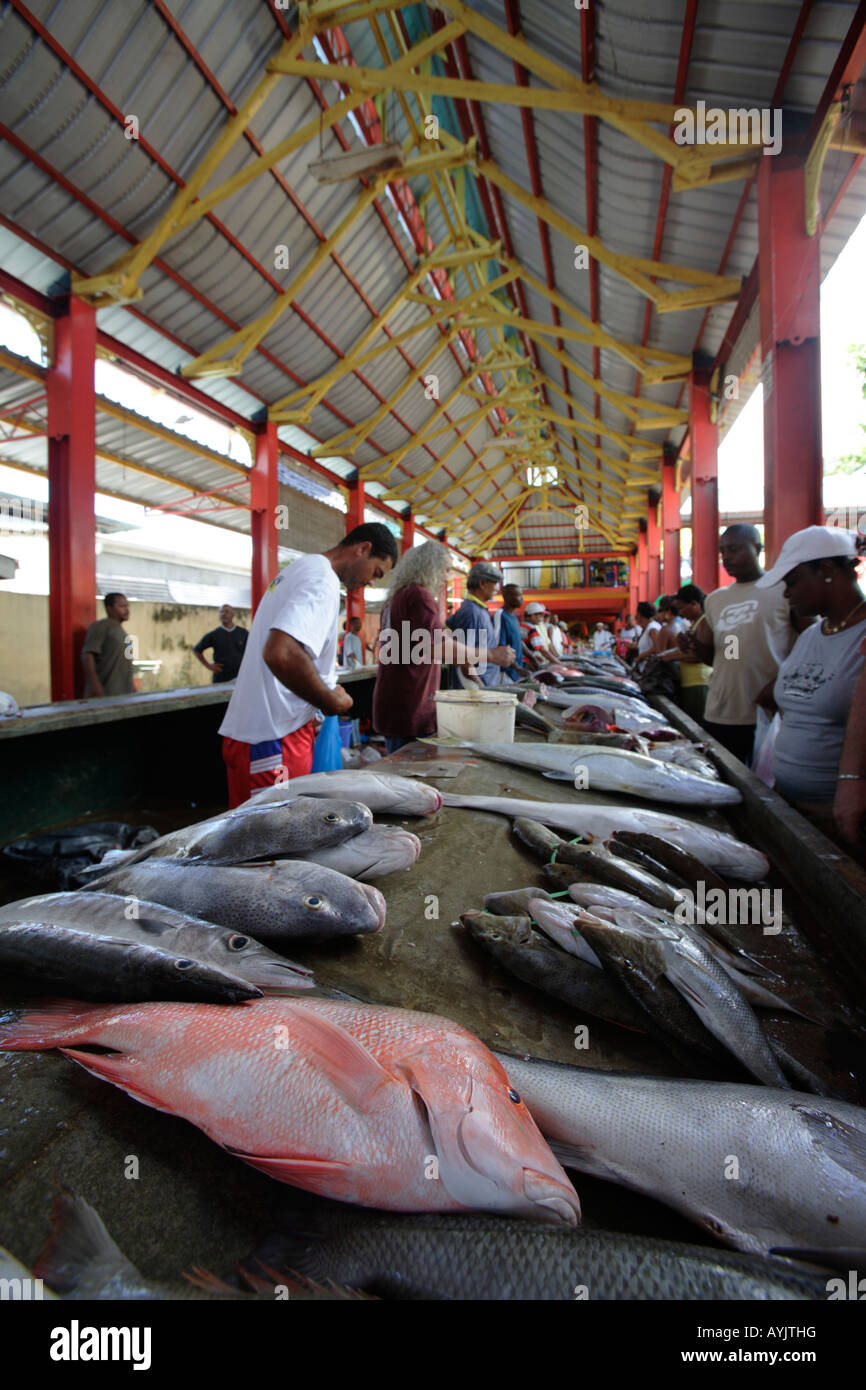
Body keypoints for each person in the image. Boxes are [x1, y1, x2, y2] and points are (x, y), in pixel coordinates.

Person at [219, 523, 398, 807]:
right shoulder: (322, 580)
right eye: (376, 572)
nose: (371, 582)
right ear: (363, 548)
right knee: (270, 839)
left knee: (270, 835)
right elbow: (282, 653)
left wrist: (324, 687)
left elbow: (297, 652)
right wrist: (331, 701)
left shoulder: (302, 569)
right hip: (273, 737)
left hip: (273, 733)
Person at [754, 526, 866, 839]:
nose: (787, 594)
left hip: (844, 818)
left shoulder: (861, 636)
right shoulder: (810, 636)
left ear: (827, 570)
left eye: (792, 582)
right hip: (793, 807)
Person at [679, 524, 797, 765]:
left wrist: (781, 683)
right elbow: (722, 656)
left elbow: (812, 643)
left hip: (768, 712)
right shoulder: (716, 599)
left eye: (733, 549)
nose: (726, 557)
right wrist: (694, 647)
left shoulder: (784, 590)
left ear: (758, 548)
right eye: (722, 551)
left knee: (766, 786)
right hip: (720, 710)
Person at [373, 541, 481, 753]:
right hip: (410, 706)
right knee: (412, 776)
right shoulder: (418, 596)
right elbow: (437, 647)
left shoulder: (396, 598)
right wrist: (491, 656)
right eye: (444, 569)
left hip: (394, 703)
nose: (446, 577)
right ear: (430, 566)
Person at [445, 561, 515, 687]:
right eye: (495, 583)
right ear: (482, 583)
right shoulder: (471, 612)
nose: (497, 589)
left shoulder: (479, 610)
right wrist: (483, 689)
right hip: (475, 691)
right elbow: (464, 659)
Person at [667, 584, 713, 722]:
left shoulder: (705, 622)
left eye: (681, 608)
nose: (680, 613)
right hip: (692, 682)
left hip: (699, 681)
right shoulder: (697, 623)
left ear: (694, 604)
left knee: (699, 722)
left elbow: (697, 656)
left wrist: (669, 657)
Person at [82, 593, 135, 698]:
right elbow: (87, 655)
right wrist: (95, 685)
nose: (127, 610)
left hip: (124, 692)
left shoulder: (122, 632)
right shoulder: (101, 626)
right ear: (109, 608)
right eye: (122, 606)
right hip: (107, 692)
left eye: (127, 606)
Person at [193, 604, 248, 684]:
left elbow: (253, 650)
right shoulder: (214, 634)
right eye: (221, 612)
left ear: (233, 615)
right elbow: (197, 650)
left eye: (226, 612)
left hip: (240, 678)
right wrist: (209, 666)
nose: (223, 614)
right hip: (221, 679)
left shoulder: (243, 633)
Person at [494, 584, 526, 681]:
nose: (522, 599)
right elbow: (498, 646)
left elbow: (518, 641)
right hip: (505, 672)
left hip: (515, 672)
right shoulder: (500, 615)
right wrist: (517, 668)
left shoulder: (514, 615)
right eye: (518, 595)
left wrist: (533, 659)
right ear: (507, 597)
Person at [521, 601, 560, 667]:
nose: (542, 619)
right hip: (528, 663)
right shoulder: (531, 629)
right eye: (541, 616)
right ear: (532, 615)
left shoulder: (522, 625)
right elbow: (542, 650)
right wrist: (559, 663)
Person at [633, 601, 661, 666]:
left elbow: (657, 648)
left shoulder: (653, 628)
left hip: (652, 670)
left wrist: (641, 656)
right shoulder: (648, 627)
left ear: (640, 614)